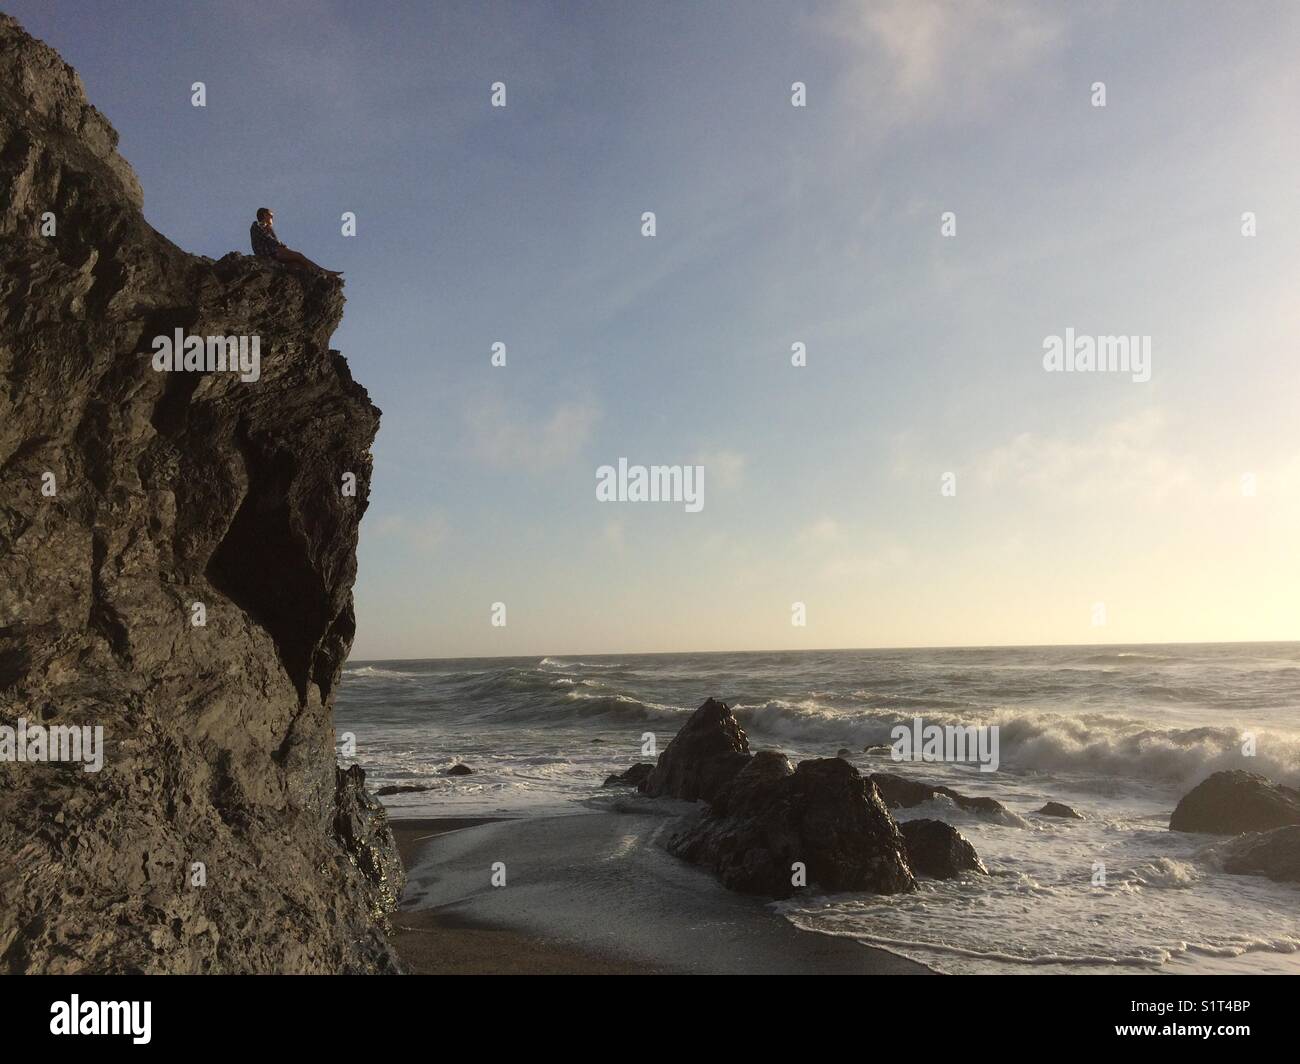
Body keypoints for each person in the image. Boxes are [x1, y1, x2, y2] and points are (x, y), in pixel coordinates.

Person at [249, 208, 342, 277]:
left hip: (272, 251)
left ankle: (318, 275)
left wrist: (271, 230)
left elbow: (272, 239)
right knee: (298, 256)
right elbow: (268, 239)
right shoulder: (256, 225)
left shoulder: (267, 228)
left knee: (296, 264)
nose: (272, 218)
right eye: (271, 215)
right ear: (265, 215)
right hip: (268, 252)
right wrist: (282, 245)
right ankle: (323, 271)